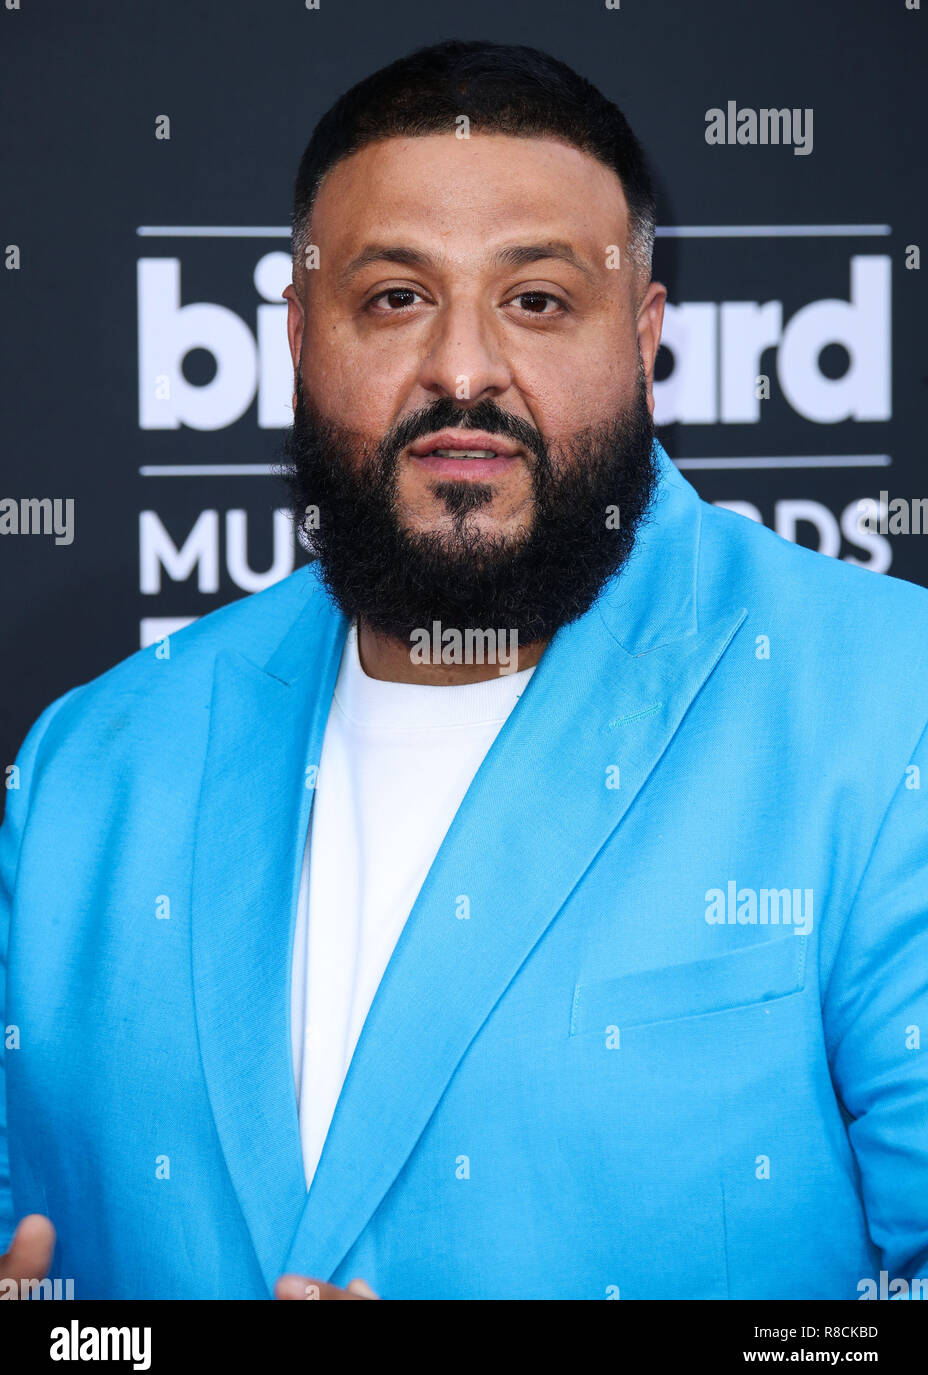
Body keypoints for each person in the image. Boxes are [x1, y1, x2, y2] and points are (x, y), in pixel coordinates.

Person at [1, 40, 926, 1302]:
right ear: (297, 336)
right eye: (396, 297)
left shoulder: (885, 703)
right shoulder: (86, 768)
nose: (462, 369)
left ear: (645, 338)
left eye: (536, 300)